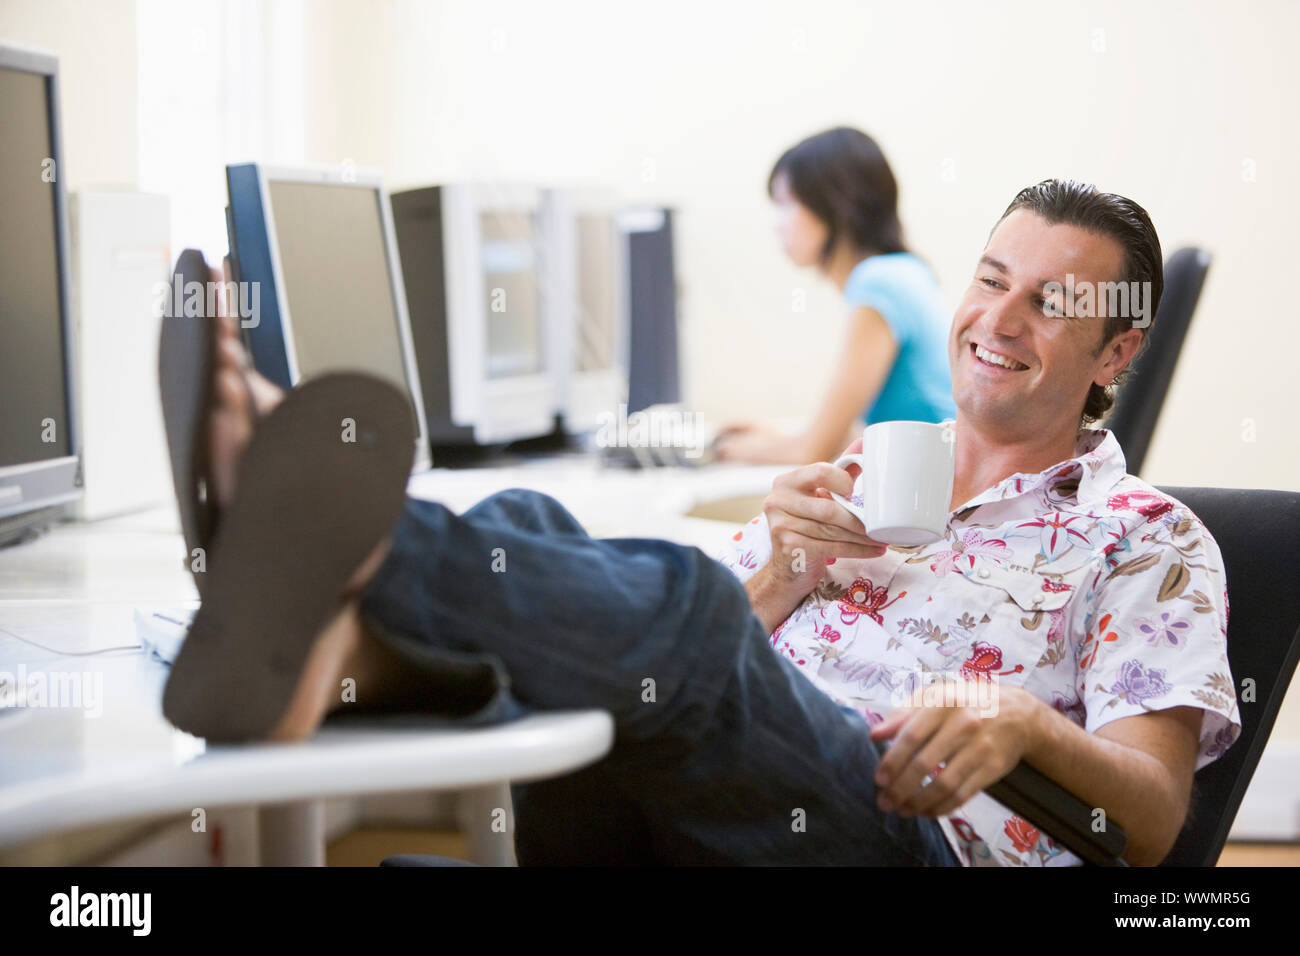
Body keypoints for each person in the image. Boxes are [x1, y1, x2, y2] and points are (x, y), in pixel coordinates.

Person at [162, 179, 1240, 867]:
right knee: (535, 518)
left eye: (1050, 305)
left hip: (901, 828)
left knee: (677, 617)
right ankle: (348, 640)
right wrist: (779, 573)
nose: (997, 321)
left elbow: (1147, 821)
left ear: (1115, 354)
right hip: (721, 782)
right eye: (991, 280)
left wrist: (1022, 720)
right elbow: (674, 649)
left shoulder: (1147, 538)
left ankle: (349, 548)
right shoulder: (870, 465)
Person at [715, 127, 956, 465]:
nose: (778, 224)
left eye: (786, 204)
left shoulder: (878, 284)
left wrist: (723, 449)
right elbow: (859, 435)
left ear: (833, 204)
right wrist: (781, 438)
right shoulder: (905, 272)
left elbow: (813, 452)